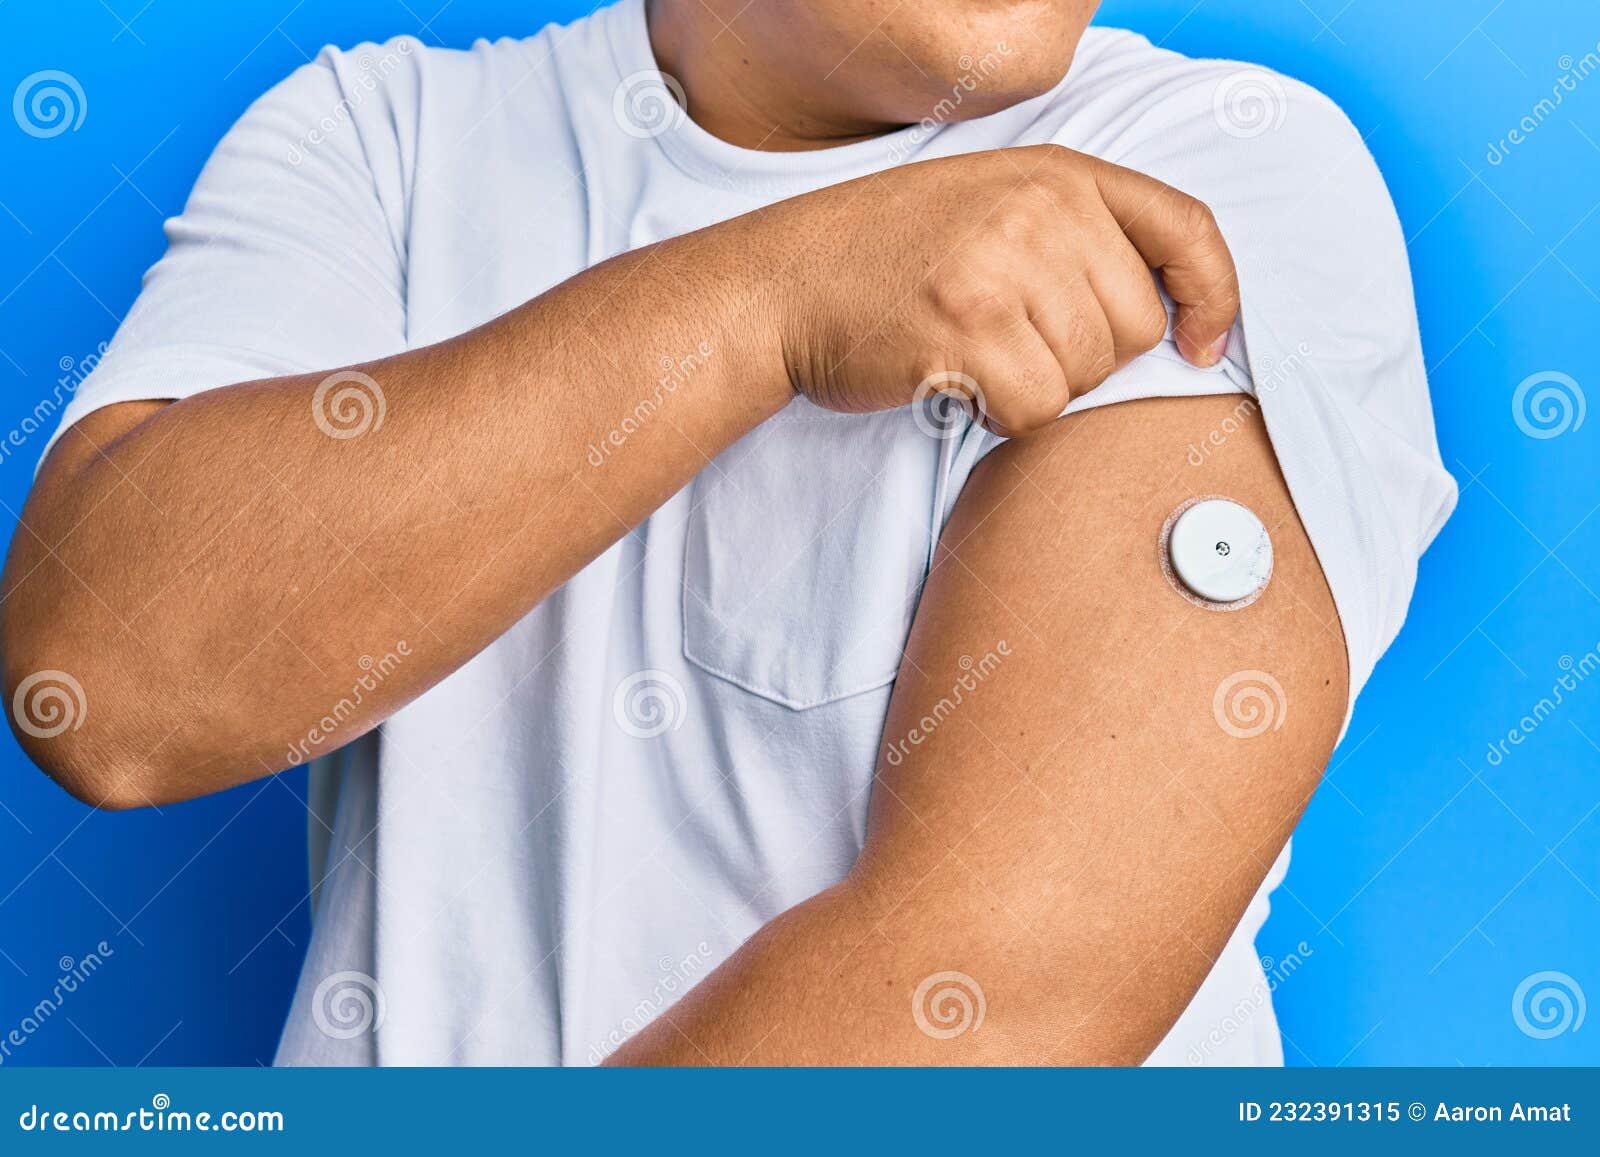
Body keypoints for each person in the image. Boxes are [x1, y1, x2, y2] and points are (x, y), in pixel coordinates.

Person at [0, 0, 1454, 1064]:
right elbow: (113, 686)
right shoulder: (378, 144)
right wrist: (772, 304)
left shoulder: (1222, 172)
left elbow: (988, 998)